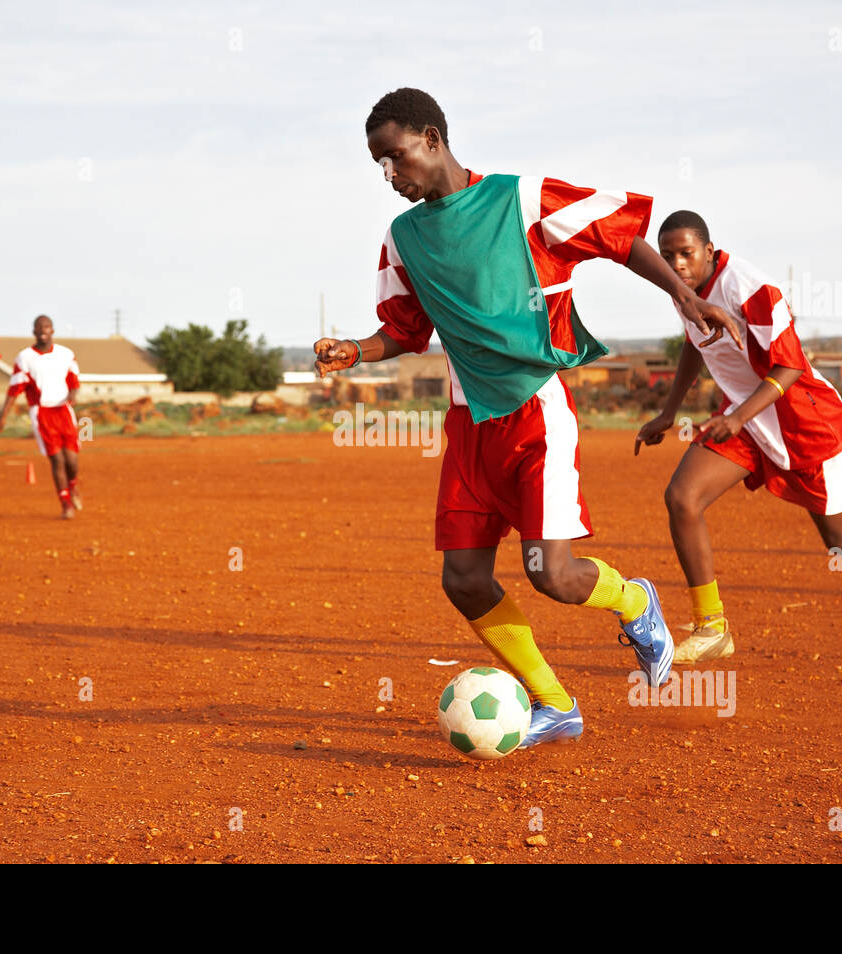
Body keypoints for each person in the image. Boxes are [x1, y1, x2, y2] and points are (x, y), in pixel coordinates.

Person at [314, 88, 743, 748]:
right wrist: (355, 350)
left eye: (395, 157)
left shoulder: (522, 200)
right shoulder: (403, 239)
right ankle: (554, 703)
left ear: (433, 139)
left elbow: (619, 235)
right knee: (463, 579)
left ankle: (635, 600)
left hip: (535, 413)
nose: (390, 174)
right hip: (468, 428)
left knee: (552, 575)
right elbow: (404, 330)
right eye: (380, 164)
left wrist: (685, 295)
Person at [635, 210, 842, 663]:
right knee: (682, 497)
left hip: (804, 423)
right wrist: (669, 411)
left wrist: (738, 417)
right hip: (747, 420)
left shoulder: (749, 288)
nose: (676, 264)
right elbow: (697, 344)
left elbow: (790, 366)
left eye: (686, 253)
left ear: (709, 251)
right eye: (667, 255)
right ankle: (711, 626)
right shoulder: (684, 291)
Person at [0, 315, 82, 518]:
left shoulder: (65, 354)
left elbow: (74, 382)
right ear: (34, 331)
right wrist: (3, 417)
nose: (43, 329)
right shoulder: (25, 358)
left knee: (71, 459)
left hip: (64, 410)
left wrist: (73, 395)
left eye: (47, 326)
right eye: (39, 326)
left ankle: (73, 485)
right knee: (57, 459)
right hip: (41, 413)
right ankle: (65, 504)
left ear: (53, 330)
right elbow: (14, 390)